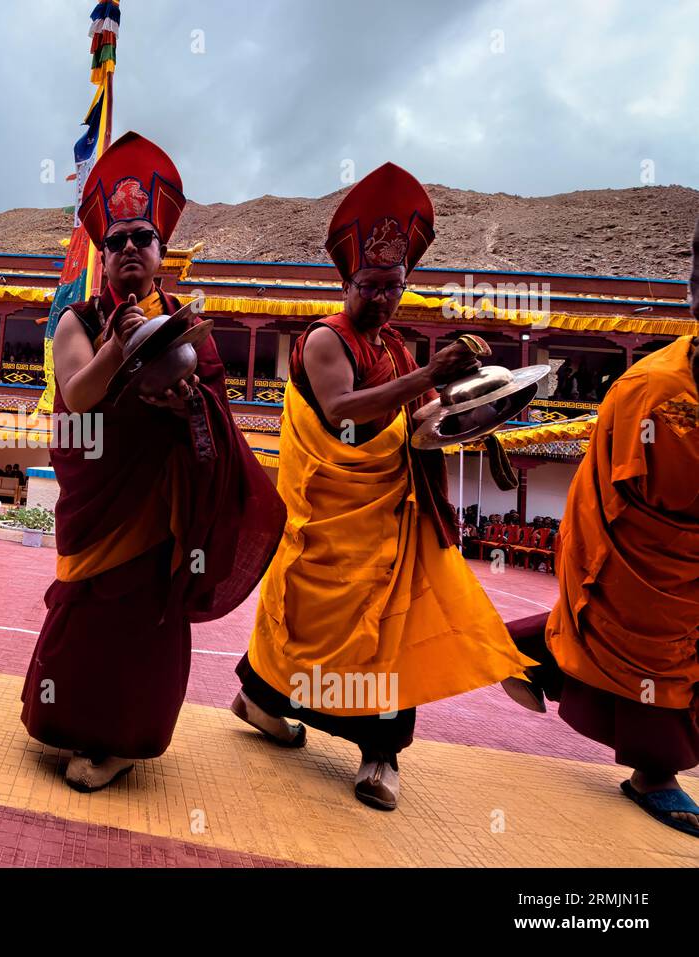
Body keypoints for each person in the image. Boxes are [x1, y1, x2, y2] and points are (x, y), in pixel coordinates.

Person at [231, 163, 536, 811]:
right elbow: (345, 409)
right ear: (348, 281)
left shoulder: (398, 348)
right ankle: (260, 700)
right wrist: (432, 372)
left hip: (390, 526)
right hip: (329, 521)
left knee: (390, 633)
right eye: (370, 285)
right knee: (308, 621)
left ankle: (380, 755)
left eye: (394, 287)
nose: (382, 299)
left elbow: (420, 423)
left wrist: (485, 422)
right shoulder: (323, 339)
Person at [21, 132, 285, 792]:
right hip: (103, 503)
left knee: (144, 619)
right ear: (102, 256)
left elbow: (219, 414)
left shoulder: (187, 325)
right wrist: (116, 349)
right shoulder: (76, 321)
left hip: (165, 509)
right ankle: (65, 721)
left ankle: (119, 742)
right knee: (86, 613)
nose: (130, 248)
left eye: (143, 237)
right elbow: (75, 398)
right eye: (117, 241)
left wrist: (189, 408)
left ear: (164, 253)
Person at [511, 287, 699, 837]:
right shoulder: (657, 392)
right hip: (647, 558)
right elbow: (664, 493)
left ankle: (532, 649)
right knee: (654, 653)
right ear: (694, 295)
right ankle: (654, 774)